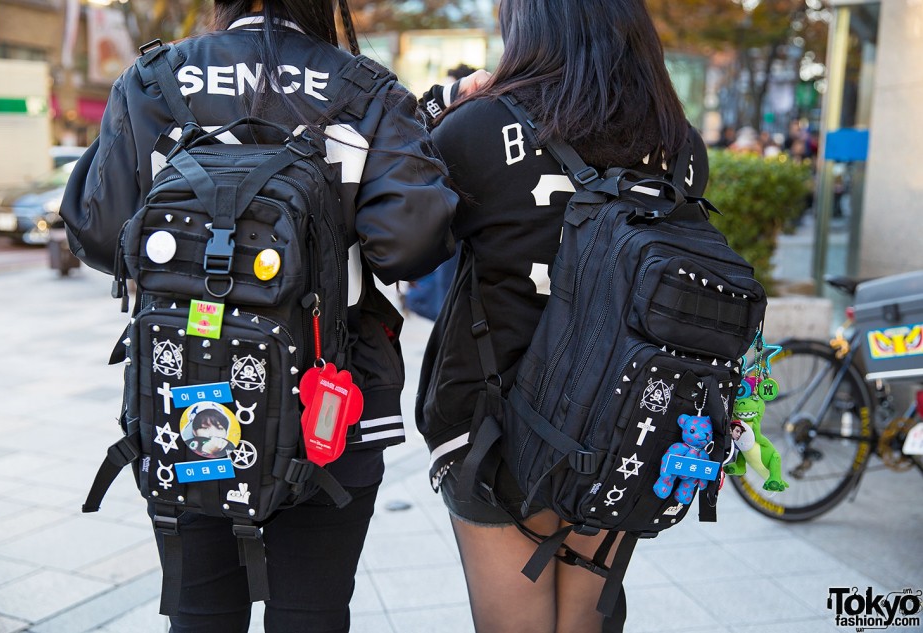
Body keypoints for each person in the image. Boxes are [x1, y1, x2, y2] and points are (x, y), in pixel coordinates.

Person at [61, 0, 458, 631]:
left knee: (200, 612)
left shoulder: (154, 81)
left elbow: (97, 232)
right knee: (312, 612)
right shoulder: (368, 89)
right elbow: (408, 247)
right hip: (330, 407)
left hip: (185, 394)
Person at [415, 1, 709, 631]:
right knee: (585, 621)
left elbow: (402, 238)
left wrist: (439, 103)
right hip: (627, 418)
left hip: (492, 425)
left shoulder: (477, 128)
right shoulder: (679, 144)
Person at [401, 63, 476, 321]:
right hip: (444, 223)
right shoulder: (445, 128)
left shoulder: (465, 128)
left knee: (448, 297)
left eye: (454, 87)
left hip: (457, 224)